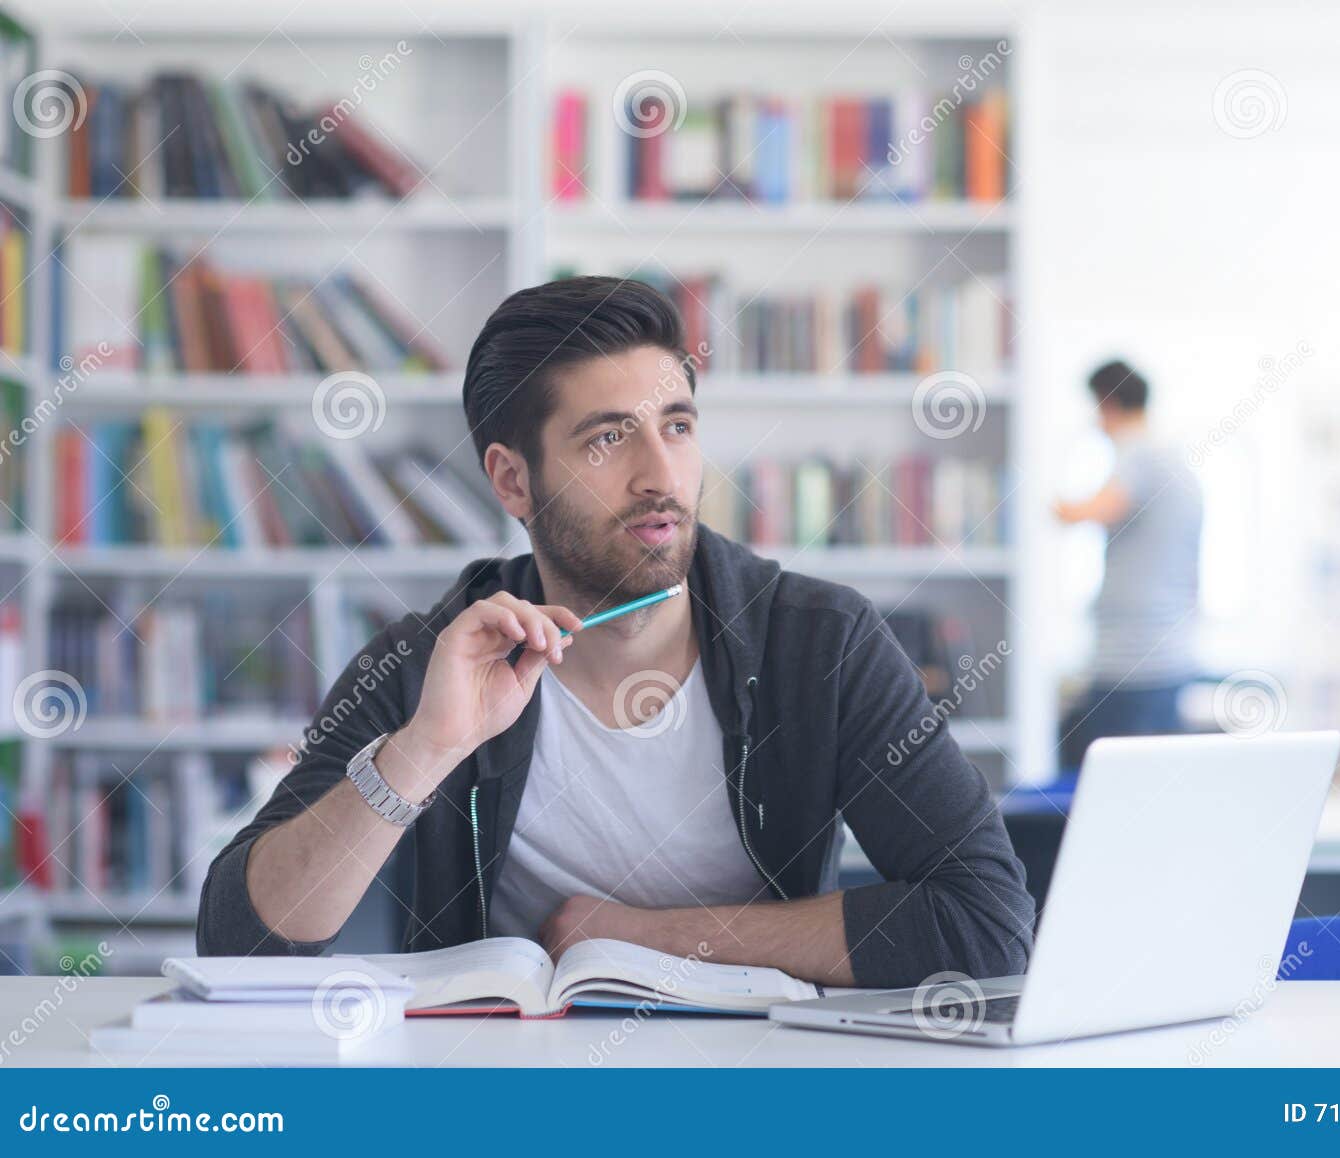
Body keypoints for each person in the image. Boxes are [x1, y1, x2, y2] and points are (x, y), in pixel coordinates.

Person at [197, 276, 1033, 989]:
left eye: (677, 426)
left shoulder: (821, 644)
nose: (661, 476)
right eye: (607, 439)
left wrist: (645, 937)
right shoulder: (429, 662)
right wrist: (421, 751)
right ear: (512, 480)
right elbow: (242, 943)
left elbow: (986, 923)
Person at [1053, 359, 1203, 770]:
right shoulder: (1173, 458)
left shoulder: (1141, 455)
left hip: (1134, 661)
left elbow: (1090, 511)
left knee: (1087, 768)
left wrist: (1039, 500)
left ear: (1108, 404)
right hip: (1165, 656)